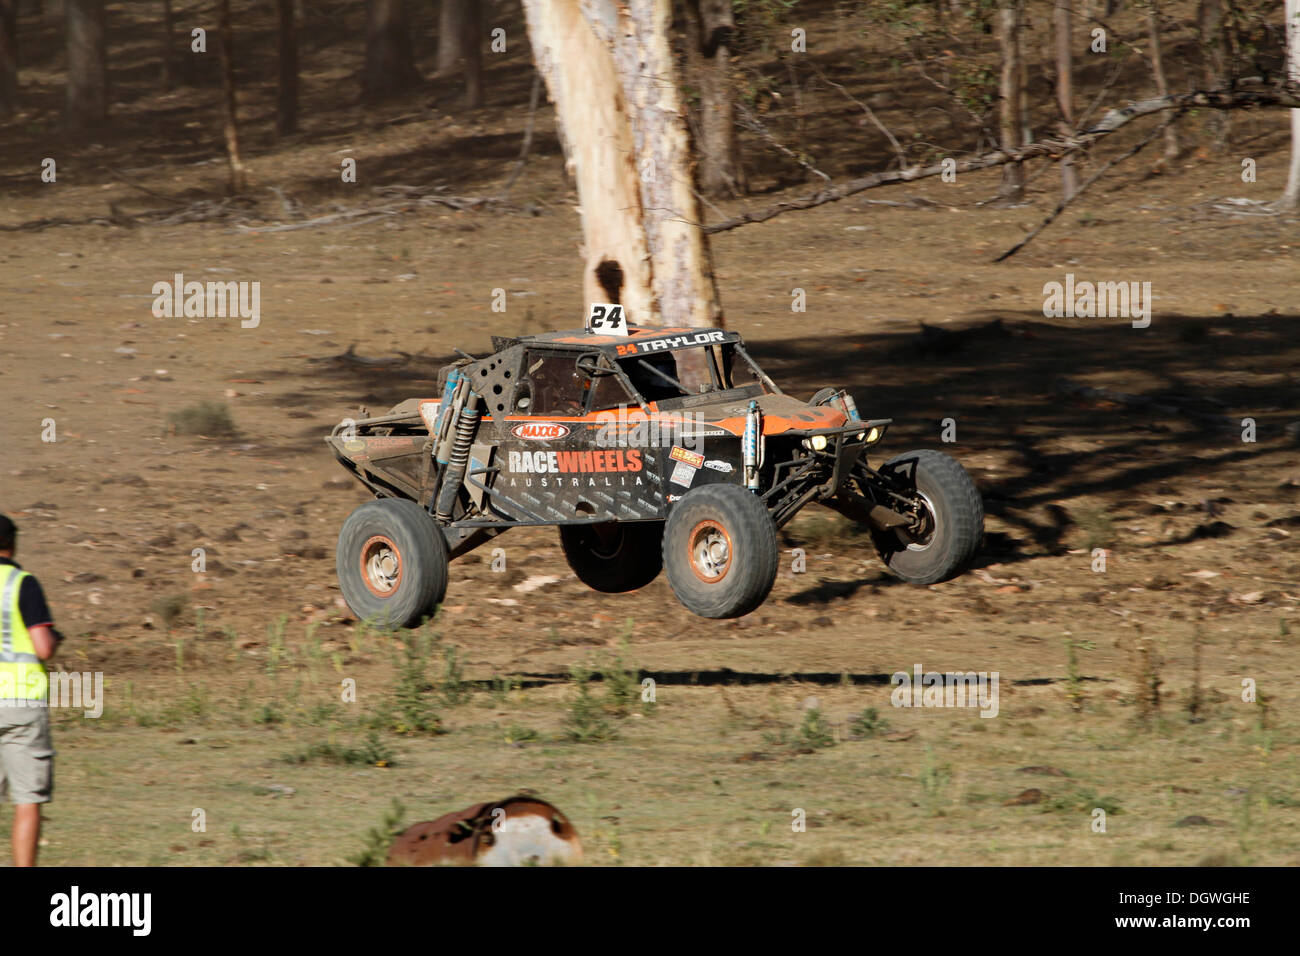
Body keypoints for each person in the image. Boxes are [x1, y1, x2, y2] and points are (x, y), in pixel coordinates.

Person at [0, 513, 60, 866]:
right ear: (13, 544)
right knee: (27, 799)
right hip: (20, 703)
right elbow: (43, 648)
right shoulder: (22, 583)